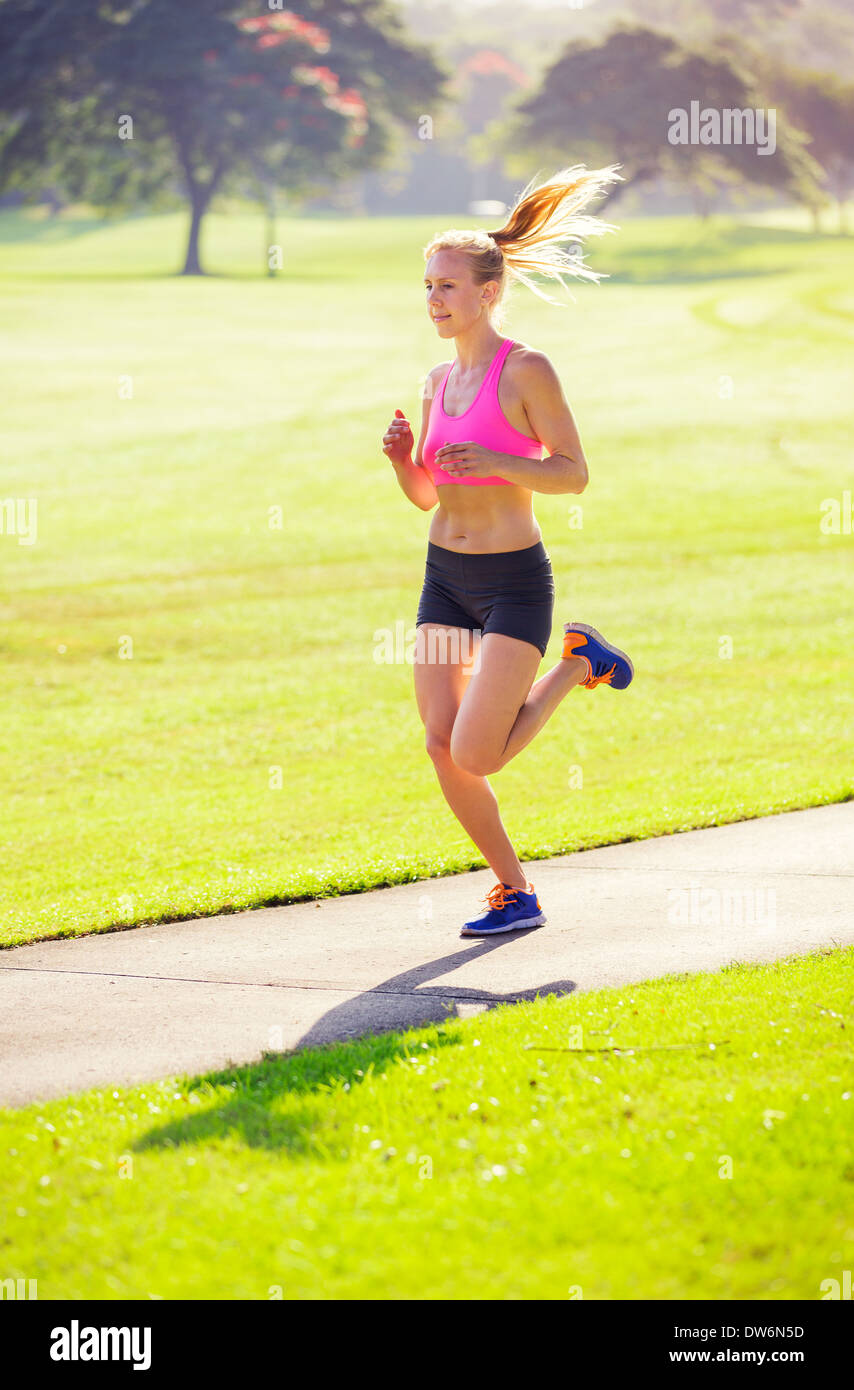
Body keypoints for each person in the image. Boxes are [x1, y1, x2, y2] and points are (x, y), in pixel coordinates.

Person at [382, 165, 634, 937]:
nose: (434, 300)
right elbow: (430, 495)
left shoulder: (526, 370)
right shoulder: (434, 381)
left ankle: (575, 665)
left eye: (448, 287)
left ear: (487, 293)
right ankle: (514, 891)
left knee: (479, 753)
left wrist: (499, 464)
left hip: (513, 584)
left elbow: (573, 473)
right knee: (439, 745)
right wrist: (402, 462)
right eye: (428, 286)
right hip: (444, 578)